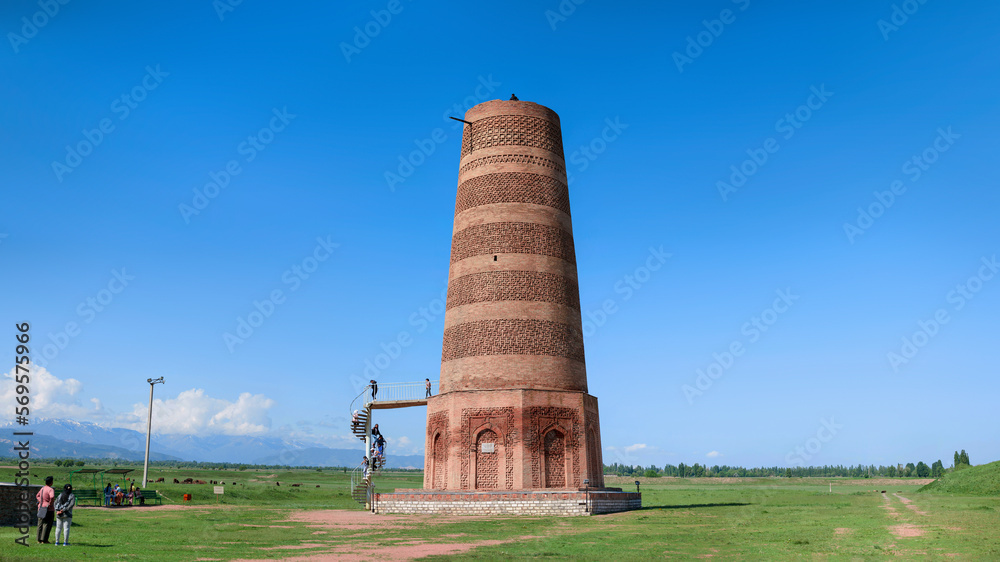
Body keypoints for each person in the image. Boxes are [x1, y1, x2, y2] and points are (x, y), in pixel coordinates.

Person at [36, 476, 56, 544]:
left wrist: (41, 501)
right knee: (47, 524)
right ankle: (44, 540)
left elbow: (37, 496)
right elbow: (52, 497)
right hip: (48, 509)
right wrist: (50, 503)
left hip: (40, 508)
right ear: (51, 482)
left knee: (40, 524)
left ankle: (38, 539)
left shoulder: (42, 488)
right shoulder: (50, 489)